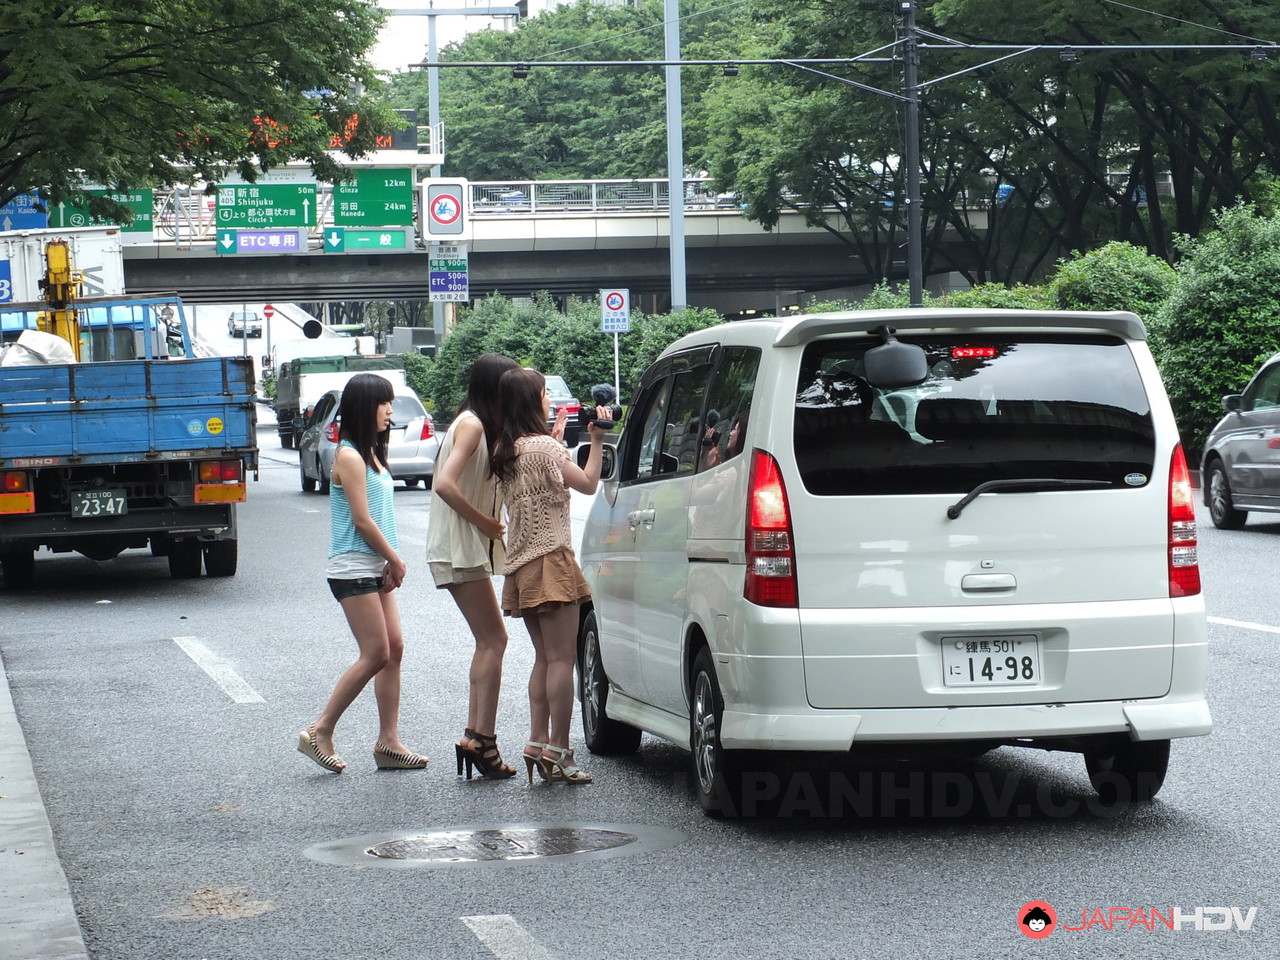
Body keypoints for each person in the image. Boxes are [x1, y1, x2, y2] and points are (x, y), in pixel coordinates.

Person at [297, 373, 426, 774]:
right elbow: (363, 521)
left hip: (375, 564)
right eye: (384, 403)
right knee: (376, 653)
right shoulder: (349, 455)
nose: (390, 411)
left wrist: (388, 561)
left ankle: (388, 742)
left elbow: (380, 518)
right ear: (364, 406)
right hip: (352, 565)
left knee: (395, 649)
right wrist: (397, 558)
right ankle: (320, 730)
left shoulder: (372, 454)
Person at [491, 368, 610, 785]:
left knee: (544, 658)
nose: (549, 400)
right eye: (544, 394)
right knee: (564, 659)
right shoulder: (545, 448)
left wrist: (556, 441)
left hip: (521, 565)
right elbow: (589, 483)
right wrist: (595, 441)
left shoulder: (506, 449)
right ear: (533, 400)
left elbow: (537, 478)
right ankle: (560, 748)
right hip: (552, 560)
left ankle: (537, 740)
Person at [424, 352, 522, 780]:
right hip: (460, 546)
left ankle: (476, 737)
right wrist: (484, 520)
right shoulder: (471, 425)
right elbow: (443, 484)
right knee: (493, 639)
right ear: (494, 386)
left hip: (466, 548)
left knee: (489, 640)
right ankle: (483, 741)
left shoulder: (480, 425)